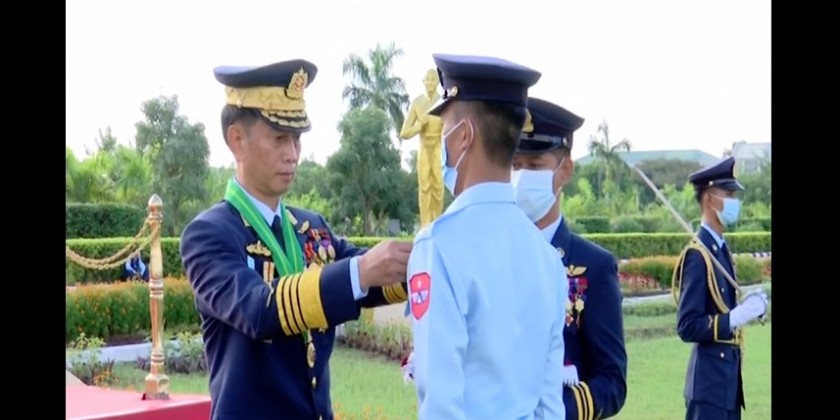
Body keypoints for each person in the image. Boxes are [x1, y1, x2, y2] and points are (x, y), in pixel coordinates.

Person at [179, 59, 413, 420]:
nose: (292, 154)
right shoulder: (208, 234)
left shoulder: (310, 227)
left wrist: (424, 262)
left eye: (297, 139)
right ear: (237, 141)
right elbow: (257, 310)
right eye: (278, 138)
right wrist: (361, 271)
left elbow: (369, 280)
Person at [406, 53, 569, 419]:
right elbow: (549, 403)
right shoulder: (546, 256)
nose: (441, 145)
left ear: (463, 136)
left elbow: (441, 404)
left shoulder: (439, 246)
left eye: (444, 130)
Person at [511, 97, 628, 419]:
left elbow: (612, 381)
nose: (520, 177)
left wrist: (553, 410)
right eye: (514, 165)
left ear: (565, 172)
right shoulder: (491, 255)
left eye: (534, 166)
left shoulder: (593, 266)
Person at [674, 156, 768, 420]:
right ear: (709, 200)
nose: (734, 201)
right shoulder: (698, 254)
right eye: (728, 194)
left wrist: (748, 306)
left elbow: (722, 302)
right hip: (708, 386)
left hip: (727, 381)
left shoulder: (720, 249)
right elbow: (687, 325)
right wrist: (734, 318)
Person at [398, 69, 445, 228]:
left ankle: (437, 223)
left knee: (438, 186)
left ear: (438, 82)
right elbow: (404, 132)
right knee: (425, 186)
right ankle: (425, 226)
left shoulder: (443, 102)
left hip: (438, 147)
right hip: (424, 147)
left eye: (433, 80)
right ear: (423, 81)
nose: (430, 83)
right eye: (428, 80)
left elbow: (452, 129)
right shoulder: (417, 103)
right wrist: (419, 126)